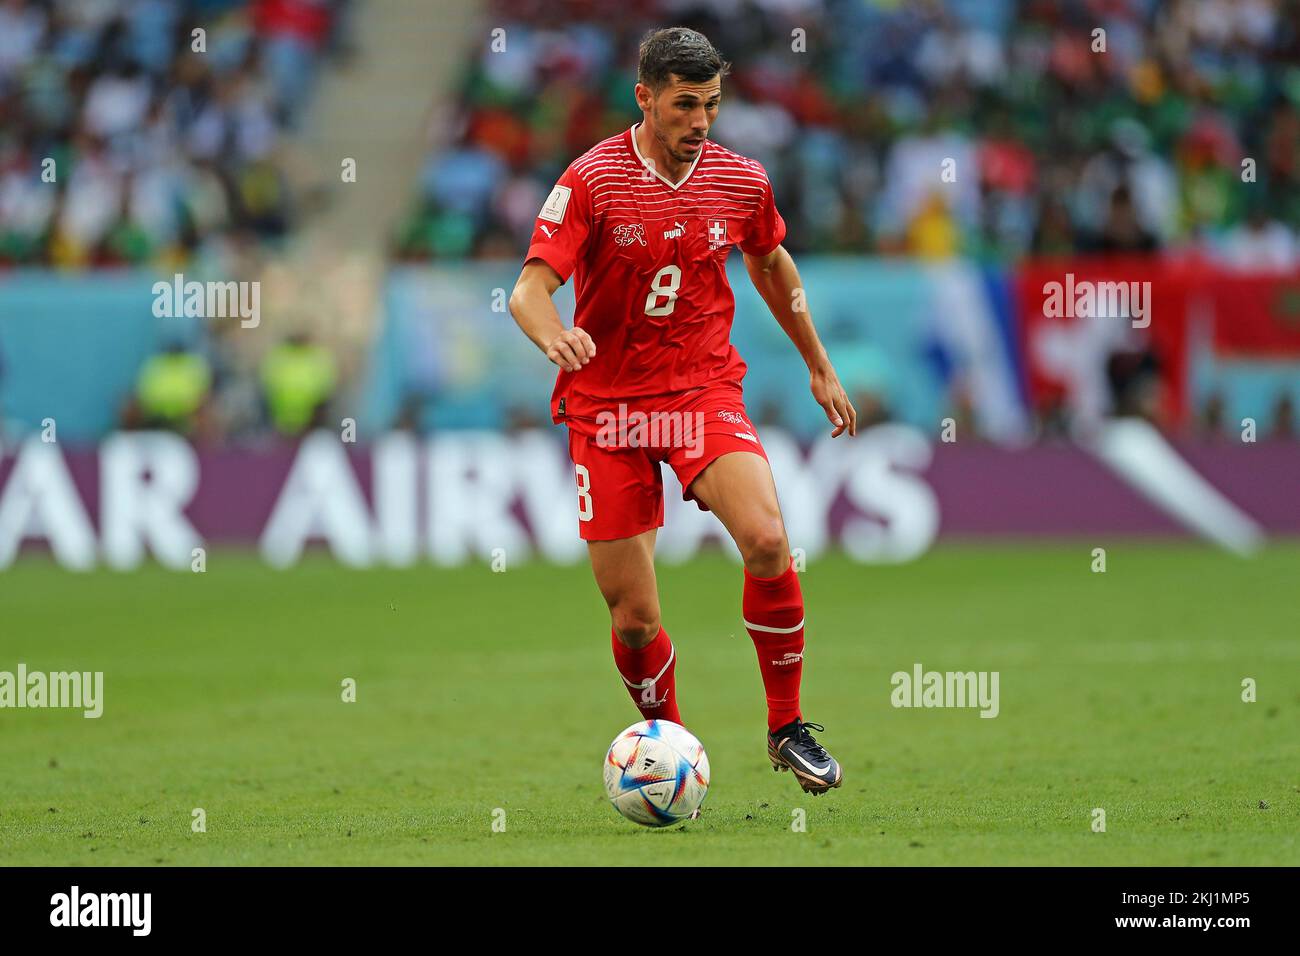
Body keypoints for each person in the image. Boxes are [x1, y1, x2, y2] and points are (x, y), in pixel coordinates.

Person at [508, 27, 856, 796]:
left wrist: (818, 364)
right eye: (685, 104)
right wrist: (553, 335)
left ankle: (787, 726)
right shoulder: (593, 180)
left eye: (712, 105)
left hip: (700, 392)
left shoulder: (741, 181)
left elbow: (768, 261)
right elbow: (529, 288)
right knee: (633, 618)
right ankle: (667, 742)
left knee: (767, 538)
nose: (700, 122)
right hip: (608, 410)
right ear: (646, 97)